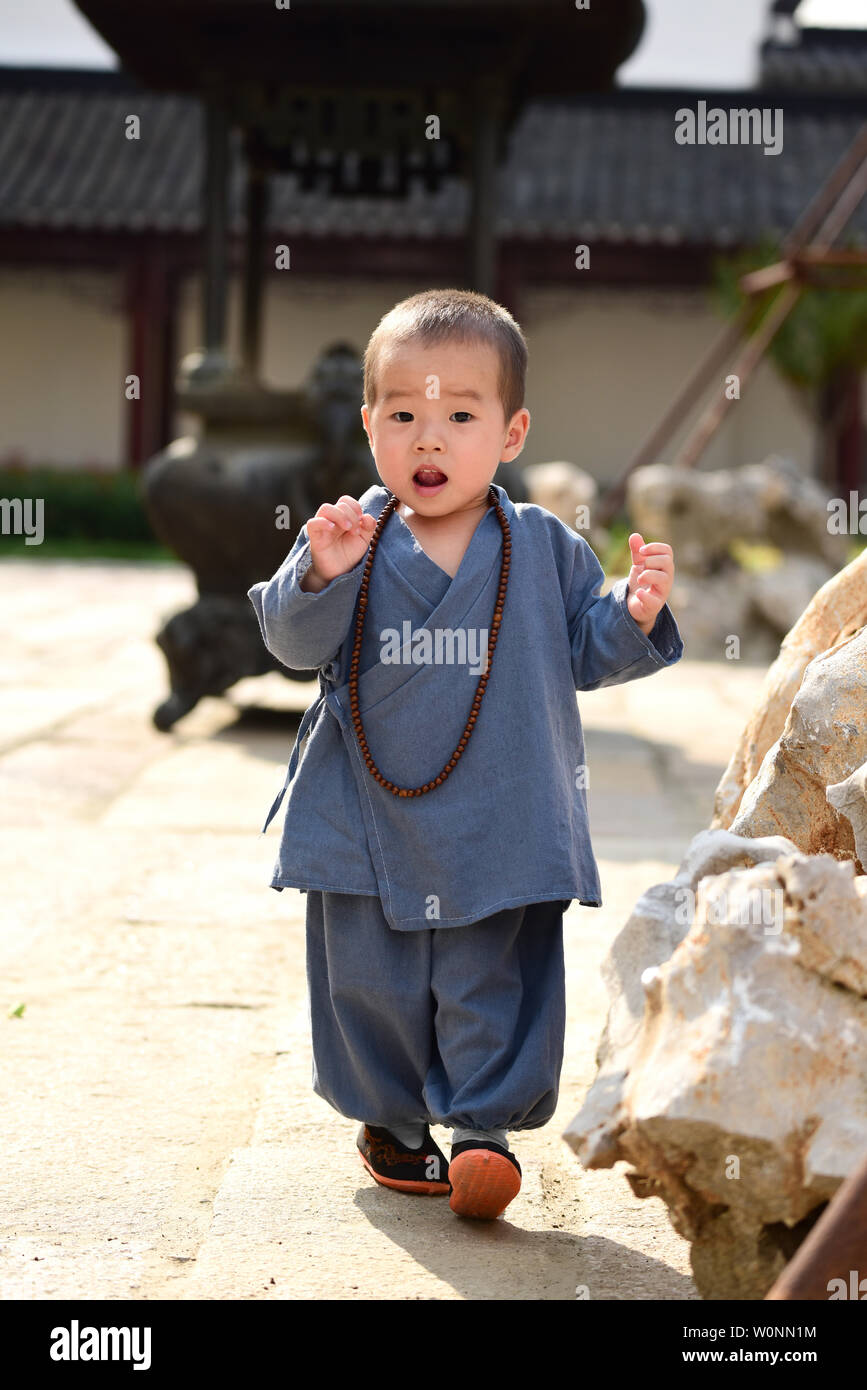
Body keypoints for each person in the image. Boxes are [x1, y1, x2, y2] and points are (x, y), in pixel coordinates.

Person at [247, 288, 683, 1221]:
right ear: (369, 427)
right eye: (402, 415)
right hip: (366, 809)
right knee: (372, 975)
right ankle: (393, 1121)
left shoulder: (541, 545)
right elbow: (290, 645)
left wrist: (632, 613)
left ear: (512, 432)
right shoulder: (349, 538)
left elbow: (583, 647)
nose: (428, 440)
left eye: (459, 415)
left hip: (501, 804)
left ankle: (482, 1127)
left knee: (490, 970)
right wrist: (318, 572)